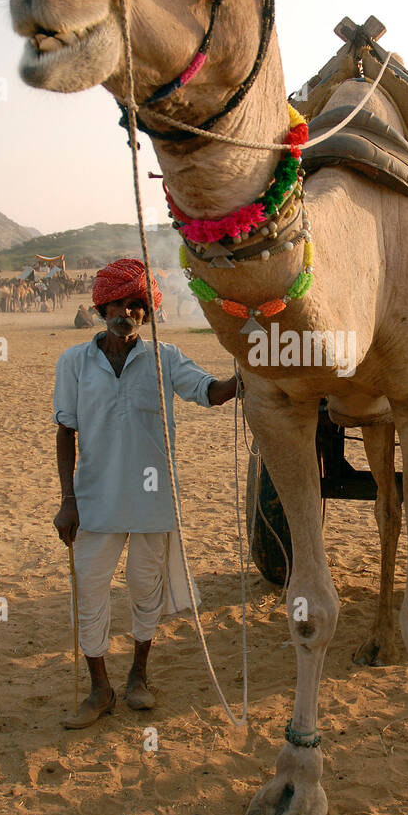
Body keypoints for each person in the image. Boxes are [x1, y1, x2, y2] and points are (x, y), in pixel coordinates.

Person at [52, 257, 236, 729]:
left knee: (143, 591)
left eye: (137, 305)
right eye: (119, 303)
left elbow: (208, 392)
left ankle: (137, 676)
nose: (127, 313)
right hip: (93, 501)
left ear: (147, 312)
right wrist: (66, 501)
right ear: (102, 306)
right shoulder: (74, 362)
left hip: (154, 502)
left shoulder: (165, 357)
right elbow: (65, 431)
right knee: (89, 594)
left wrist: (244, 377)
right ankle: (99, 689)